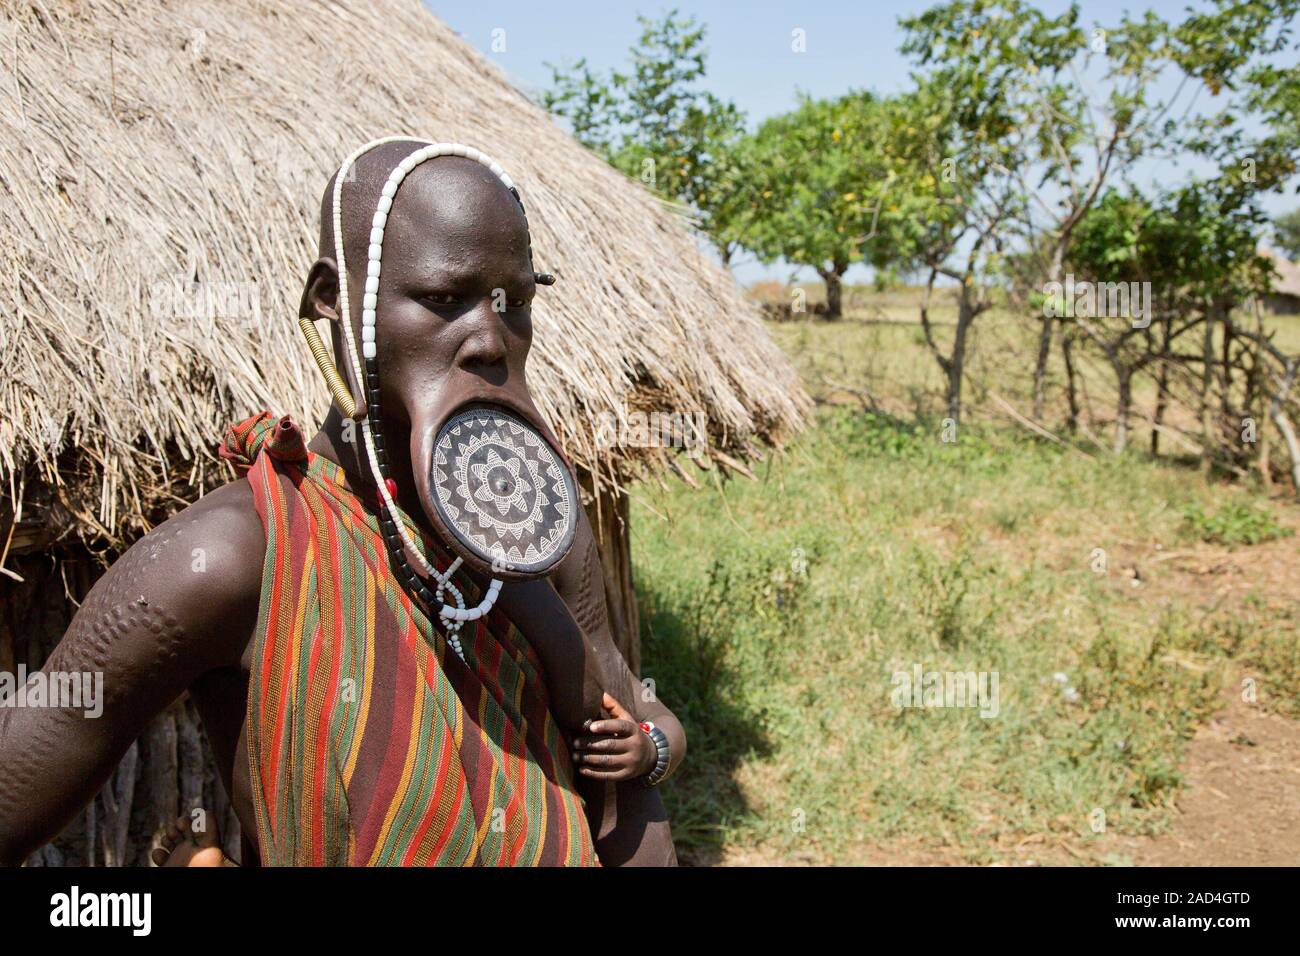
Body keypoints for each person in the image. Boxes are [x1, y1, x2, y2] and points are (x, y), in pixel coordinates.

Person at [0, 138, 684, 866]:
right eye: (444, 299)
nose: (491, 339)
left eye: (514, 302)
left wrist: (628, 726)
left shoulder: (545, 528)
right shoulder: (235, 556)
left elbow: (626, 779)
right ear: (331, 297)